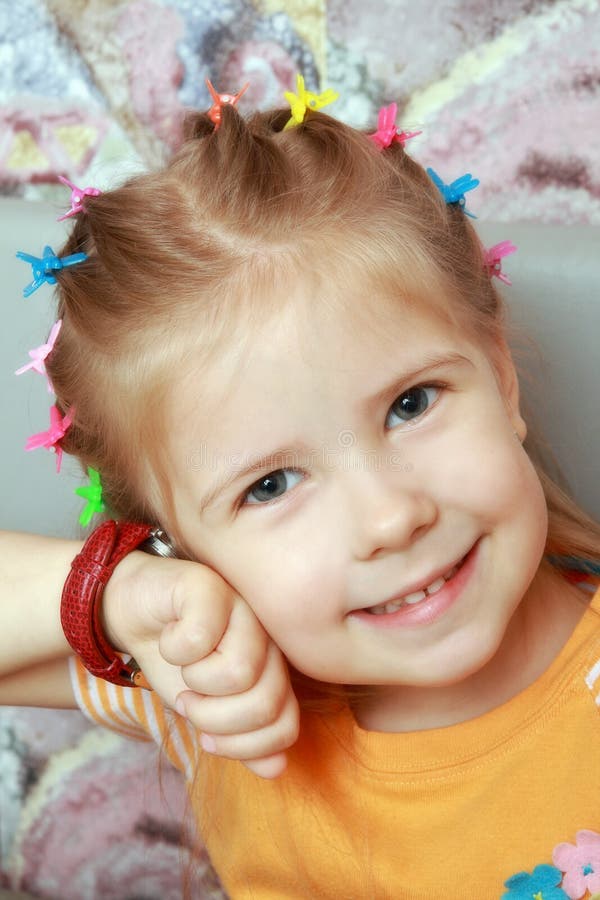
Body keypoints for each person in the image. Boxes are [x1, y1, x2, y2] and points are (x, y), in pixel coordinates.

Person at [3, 83, 600, 898]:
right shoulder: (218, 688)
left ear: (501, 376)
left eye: (411, 404)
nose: (391, 518)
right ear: (183, 544)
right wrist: (117, 599)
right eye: (271, 485)